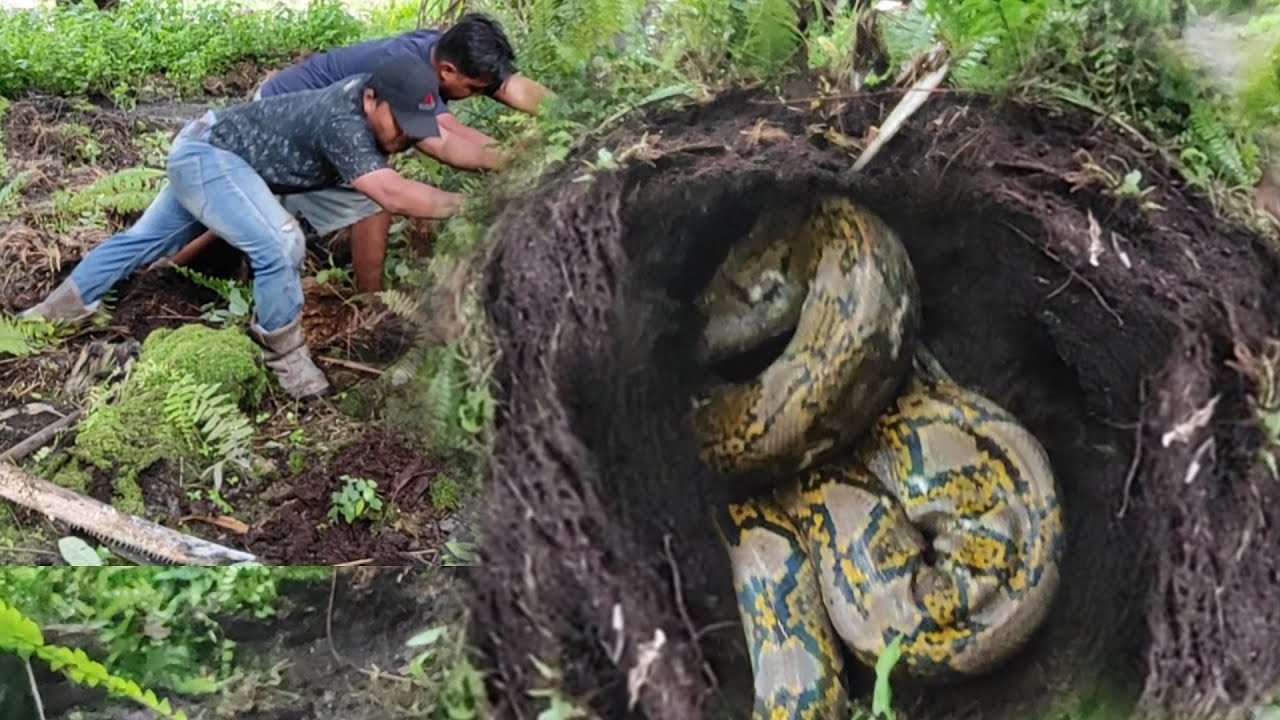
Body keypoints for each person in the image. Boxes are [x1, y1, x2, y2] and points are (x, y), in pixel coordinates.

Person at [20, 56, 464, 401]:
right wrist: (474, 206)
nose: (406, 137)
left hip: (209, 149)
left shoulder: (373, 99)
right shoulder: (343, 122)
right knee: (281, 242)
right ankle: (288, 361)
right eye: (402, 124)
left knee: (143, 241)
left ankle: (47, 315)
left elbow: (429, 163)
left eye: (415, 129)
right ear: (372, 100)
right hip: (209, 158)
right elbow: (392, 194)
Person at [163, 12, 555, 293]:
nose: (475, 96)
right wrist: (509, 164)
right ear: (448, 72)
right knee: (362, 198)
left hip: (324, 119)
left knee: (274, 208)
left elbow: (503, 90)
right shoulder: (405, 68)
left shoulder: (439, 54)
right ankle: (371, 303)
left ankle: (175, 273)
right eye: (472, 88)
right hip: (284, 115)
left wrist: (568, 115)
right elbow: (444, 141)